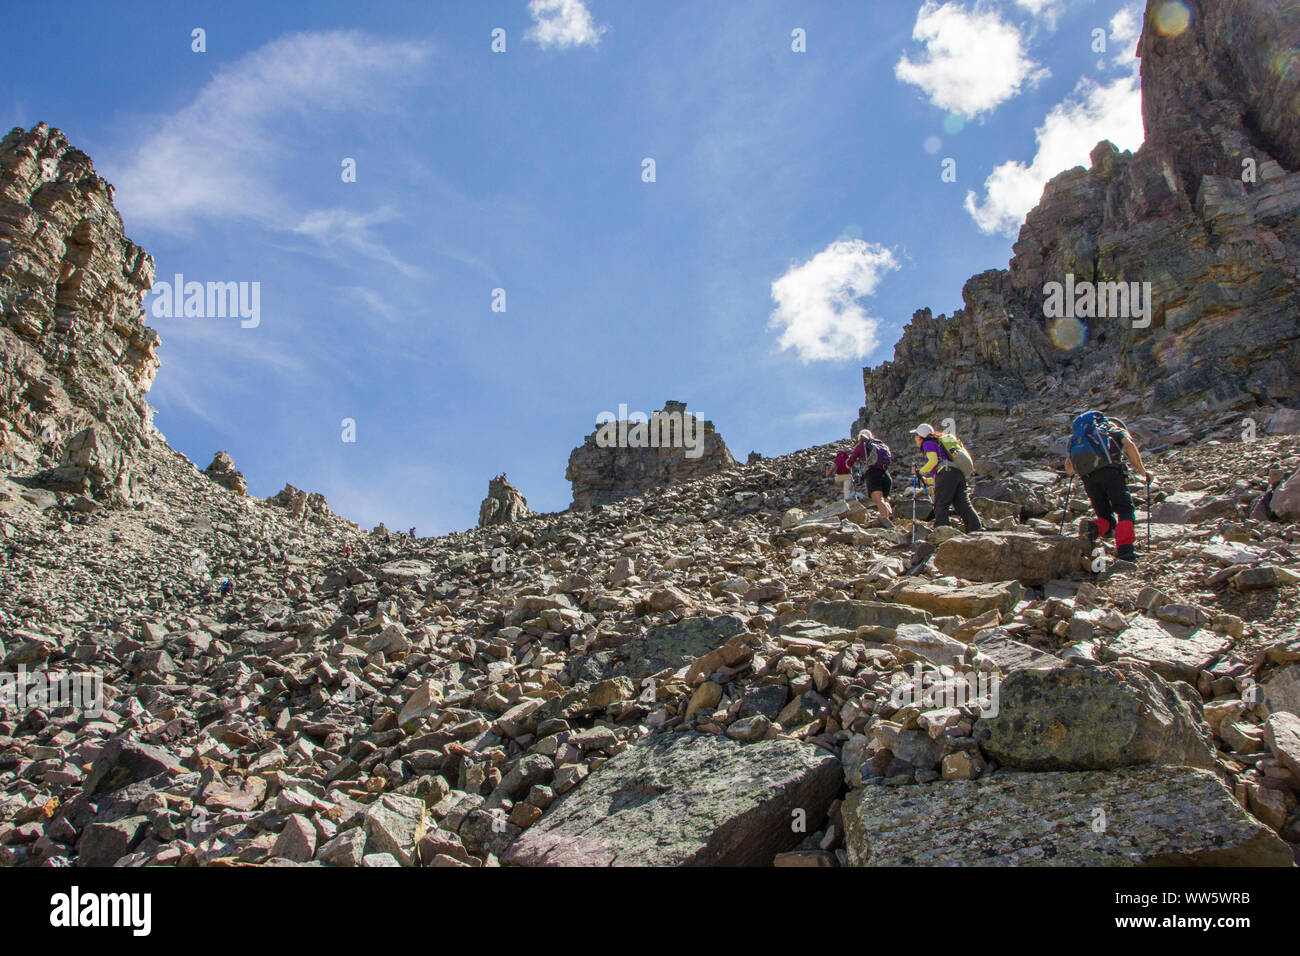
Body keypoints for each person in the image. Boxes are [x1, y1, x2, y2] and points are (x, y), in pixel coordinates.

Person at [1064, 411, 1149, 562]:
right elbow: (1129, 445)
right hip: (1112, 473)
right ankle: (1126, 551)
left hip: (1088, 478)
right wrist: (1143, 471)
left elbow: (1069, 468)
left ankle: (1091, 529)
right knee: (1125, 510)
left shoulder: (1076, 438)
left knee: (1105, 519)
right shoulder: (1113, 429)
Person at [912, 423, 982, 533]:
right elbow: (942, 476)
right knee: (962, 504)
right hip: (958, 473)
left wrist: (919, 472)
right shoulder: (939, 443)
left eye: (916, 435)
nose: (915, 438)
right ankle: (975, 528)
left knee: (940, 504)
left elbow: (933, 461)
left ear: (920, 436)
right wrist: (928, 480)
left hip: (946, 473)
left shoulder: (928, 443)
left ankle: (942, 531)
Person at [847, 429, 894, 527]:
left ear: (860, 437)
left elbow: (851, 461)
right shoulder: (879, 445)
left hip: (873, 474)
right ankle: (889, 517)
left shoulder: (861, 446)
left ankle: (886, 523)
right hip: (885, 474)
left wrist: (847, 464)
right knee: (884, 499)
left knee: (878, 499)